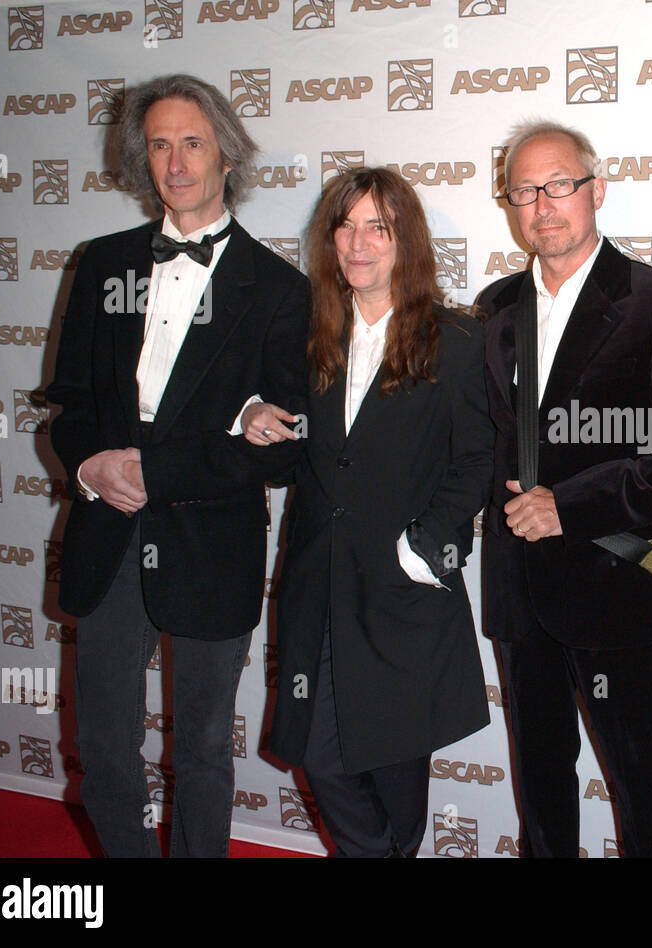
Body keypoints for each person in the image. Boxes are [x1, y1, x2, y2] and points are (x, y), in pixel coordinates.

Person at [45, 74, 310, 857]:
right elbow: (69, 403)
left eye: (193, 142)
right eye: (159, 144)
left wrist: (155, 474)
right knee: (103, 744)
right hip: (107, 533)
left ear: (226, 154)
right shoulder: (102, 264)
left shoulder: (280, 289)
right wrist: (89, 467)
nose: (176, 162)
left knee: (200, 749)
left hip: (211, 542)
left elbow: (286, 444)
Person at [478, 120, 652, 857]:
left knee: (644, 789)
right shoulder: (495, 307)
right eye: (524, 191)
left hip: (617, 586)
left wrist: (571, 506)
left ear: (597, 190)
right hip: (520, 590)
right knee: (542, 789)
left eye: (559, 185)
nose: (542, 205)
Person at [248, 168, 493, 857]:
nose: (358, 244)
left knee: (396, 768)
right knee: (319, 754)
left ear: (404, 240)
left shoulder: (456, 340)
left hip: (402, 590)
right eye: (345, 227)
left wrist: (425, 547)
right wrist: (253, 414)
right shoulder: (310, 335)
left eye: (377, 228)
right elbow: (285, 440)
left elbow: (477, 460)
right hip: (319, 583)